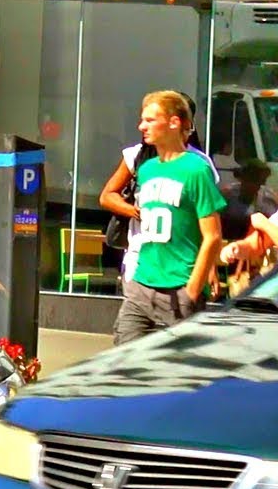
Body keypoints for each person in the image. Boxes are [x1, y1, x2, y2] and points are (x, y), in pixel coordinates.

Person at [110, 90, 225, 344]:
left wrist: (193, 288)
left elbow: (213, 236)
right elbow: (108, 195)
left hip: (179, 287)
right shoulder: (147, 169)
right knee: (120, 360)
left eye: (150, 120)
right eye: (142, 120)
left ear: (174, 123)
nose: (142, 126)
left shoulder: (196, 169)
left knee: (179, 370)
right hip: (141, 284)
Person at [218, 159, 278, 242]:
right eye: (252, 181)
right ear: (243, 179)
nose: (256, 186)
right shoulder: (227, 195)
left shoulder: (269, 200)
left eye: (261, 182)